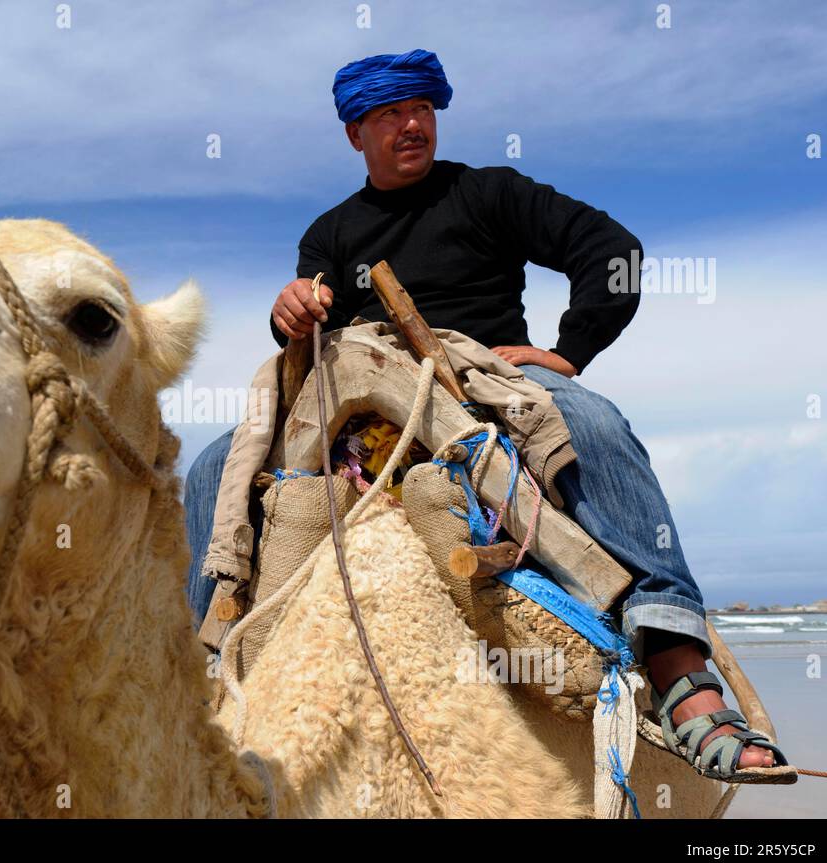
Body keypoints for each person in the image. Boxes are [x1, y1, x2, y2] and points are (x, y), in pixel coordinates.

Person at [184, 49, 790, 782]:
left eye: (421, 110)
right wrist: (289, 313)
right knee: (216, 462)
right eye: (388, 115)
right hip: (364, 400)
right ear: (355, 136)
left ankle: (677, 664)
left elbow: (613, 251)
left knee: (592, 422)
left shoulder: (489, 192)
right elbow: (312, 331)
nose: (410, 125)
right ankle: (200, 673)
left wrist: (568, 353)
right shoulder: (332, 233)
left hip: (481, 380)